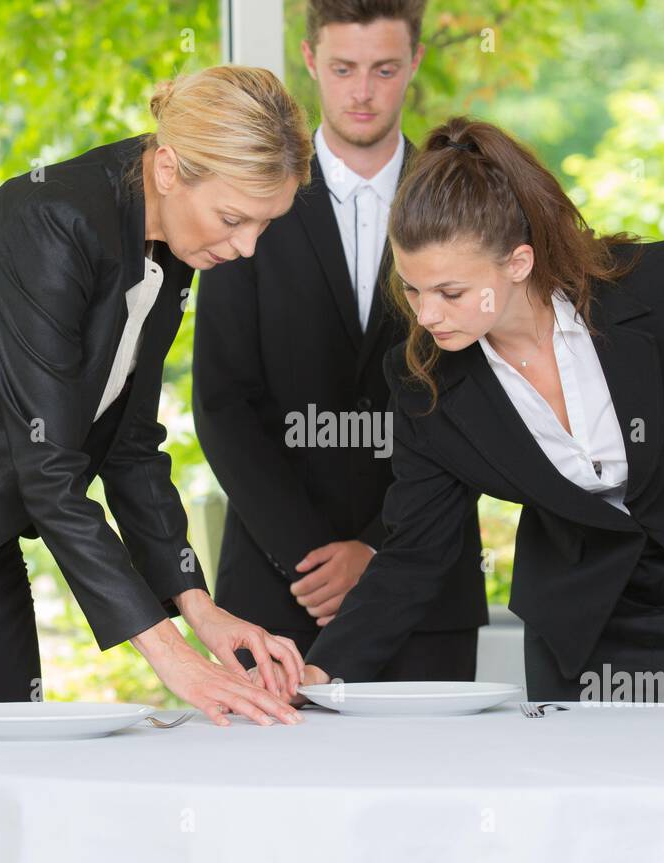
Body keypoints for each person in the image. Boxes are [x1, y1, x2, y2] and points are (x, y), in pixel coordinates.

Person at [0, 66, 314, 742]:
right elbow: (50, 467)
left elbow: (130, 446)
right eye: (233, 218)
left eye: (263, 224)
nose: (247, 246)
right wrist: (172, 656)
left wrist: (201, 609)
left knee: (1, 758)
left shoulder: (172, 248)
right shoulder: (55, 222)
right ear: (169, 169)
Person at [271, 117, 664, 703]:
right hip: (582, 612)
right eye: (412, 290)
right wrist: (321, 673)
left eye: (450, 293)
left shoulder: (663, 284)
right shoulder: (423, 384)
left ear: (518, 262)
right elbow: (415, 552)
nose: (426, 316)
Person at [193, 0, 487, 680]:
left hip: (427, 584)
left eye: (384, 70)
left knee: (426, 785)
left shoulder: (463, 202)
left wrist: (381, 550)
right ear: (309, 62)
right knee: (269, 787)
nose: (362, 92)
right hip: (277, 591)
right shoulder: (251, 198)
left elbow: (481, 399)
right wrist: (310, 558)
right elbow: (221, 401)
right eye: (343, 68)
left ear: (413, 61)